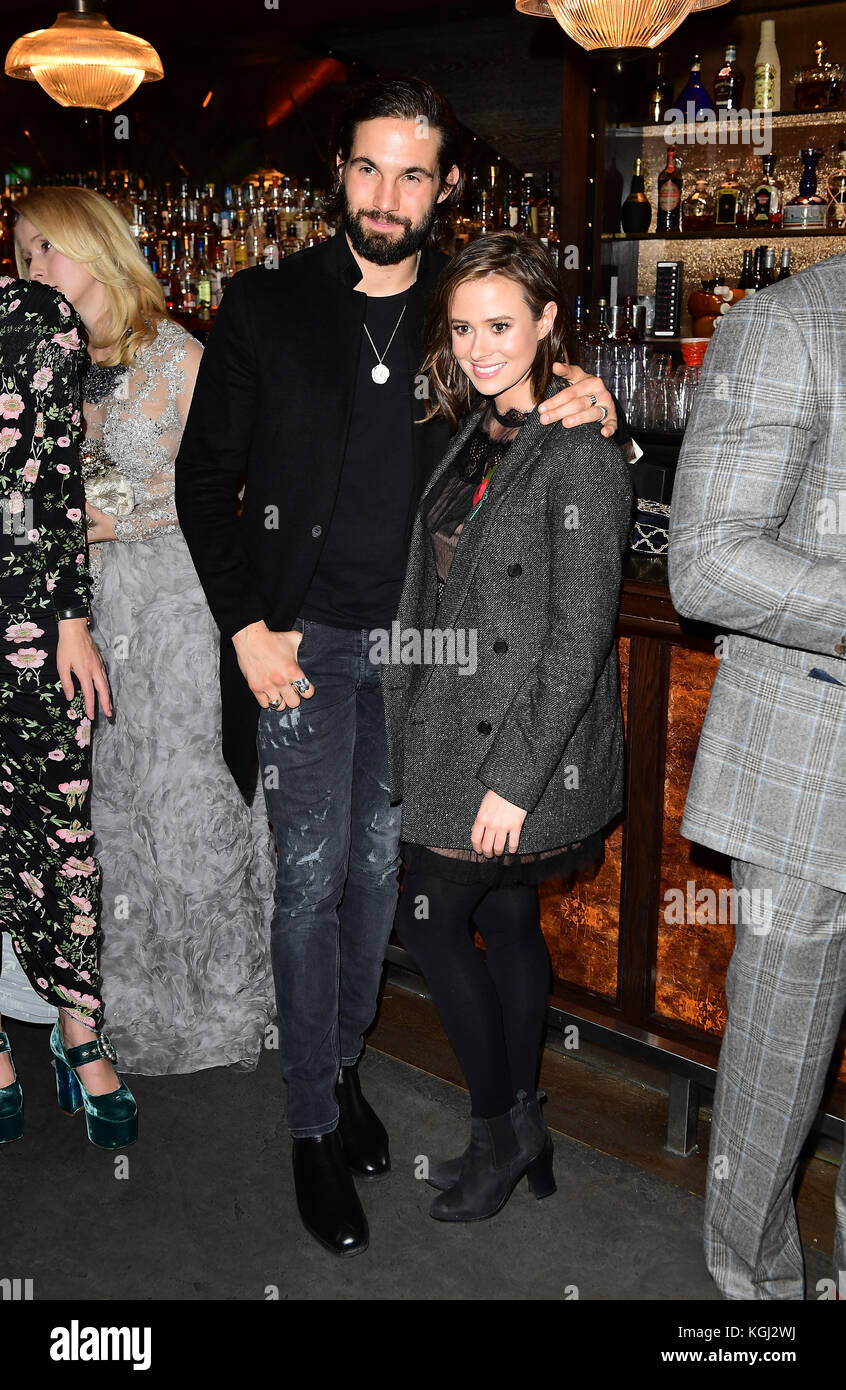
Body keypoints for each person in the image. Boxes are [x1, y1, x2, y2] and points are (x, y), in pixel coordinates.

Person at [174, 75, 623, 1257]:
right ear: (340, 172)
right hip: (301, 647)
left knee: (380, 883)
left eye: (414, 173)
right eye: (369, 167)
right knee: (309, 882)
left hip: (421, 660)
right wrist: (244, 625)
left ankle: (345, 1062)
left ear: (448, 185)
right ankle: (310, 1120)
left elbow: (521, 394)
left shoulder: (459, 314)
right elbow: (198, 482)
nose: (388, 194)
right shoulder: (264, 304)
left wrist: (595, 399)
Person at [384, 231, 632, 1221]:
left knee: (433, 917)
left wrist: (516, 781)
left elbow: (580, 639)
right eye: (462, 327)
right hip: (455, 720)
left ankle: (500, 1131)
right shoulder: (474, 428)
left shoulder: (581, 454)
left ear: (545, 325)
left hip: (528, 744)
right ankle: (521, 1122)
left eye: (500, 325)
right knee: (502, 916)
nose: (480, 346)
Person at [5, 187, 276, 1074]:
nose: (32, 269)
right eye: (22, 256)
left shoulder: (182, 356)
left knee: (184, 798)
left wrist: (93, 514)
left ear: (97, 248)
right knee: (101, 809)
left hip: (173, 607)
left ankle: (210, 1009)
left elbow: (224, 487)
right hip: (67, 614)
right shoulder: (36, 364)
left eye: (47, 249)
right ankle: (98, 1015)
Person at [668, 251, 846, 1300]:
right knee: (778, 1068)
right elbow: (708, 560)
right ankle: (758, 1295)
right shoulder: (788, 325)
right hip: (811, 764)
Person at [0, 271, 137, 1148]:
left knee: (61, 829)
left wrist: (71, 622)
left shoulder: (29, 314)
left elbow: (53, 481)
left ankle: (77, 1028)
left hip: (26, 623)